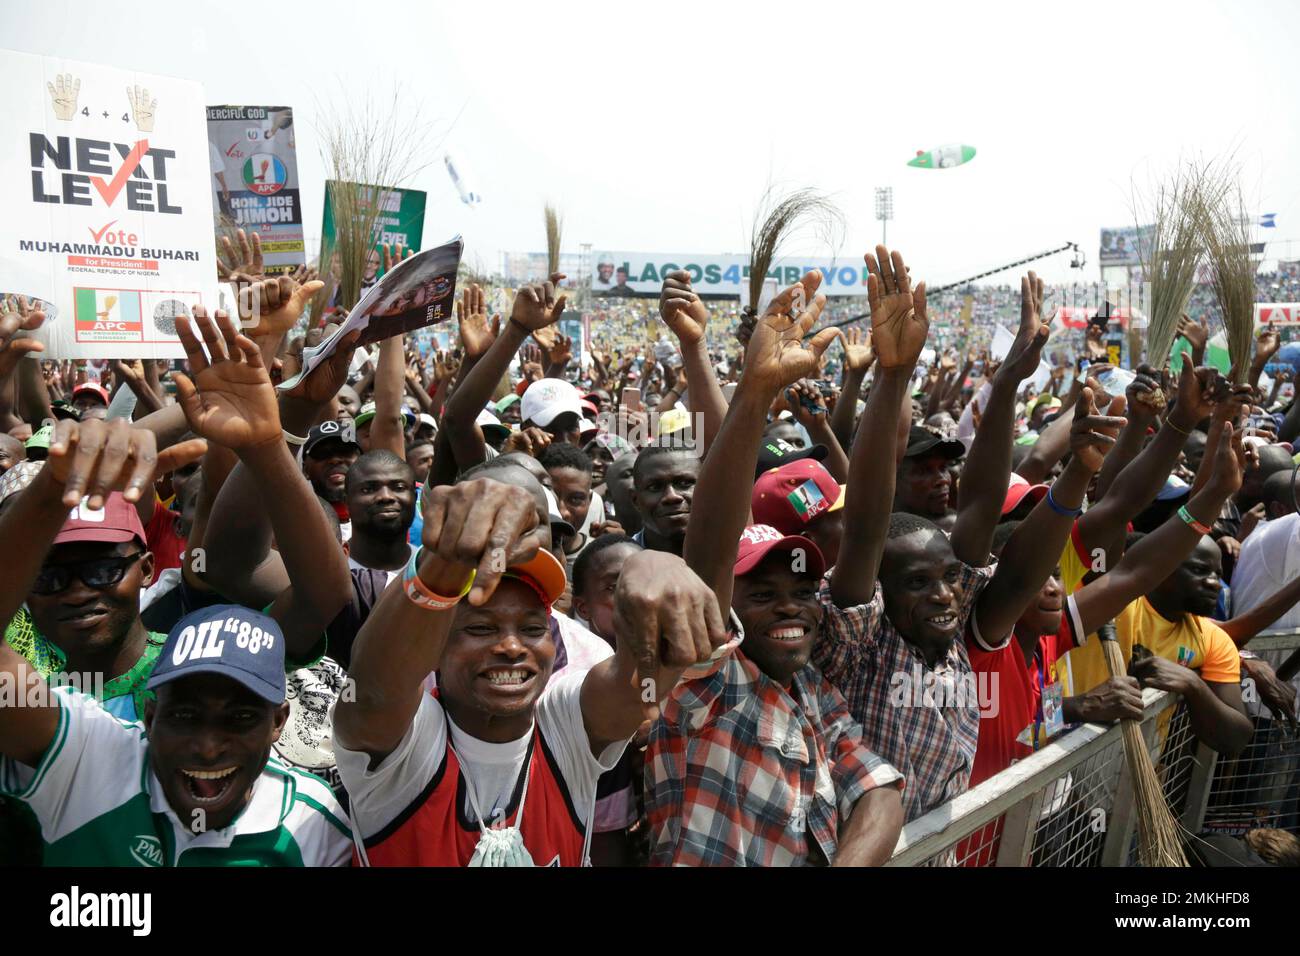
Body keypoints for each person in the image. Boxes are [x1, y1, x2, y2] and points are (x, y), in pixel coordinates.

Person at [334, 477, 727, 866]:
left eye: (532, 628)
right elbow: (372, 690)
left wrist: (654, 561)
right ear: (434, 650)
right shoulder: (405, 745)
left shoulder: (567, 728)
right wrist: (440, 566)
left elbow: (650, 672)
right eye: (480, 628)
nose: (511, 646)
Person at [646, 270, 903, 866]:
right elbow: (710, 545)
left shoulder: (814, 691)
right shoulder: (703, 682)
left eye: (802, 589)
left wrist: (892, 377)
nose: (790, 604)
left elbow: (880, 792)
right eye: (761, 593)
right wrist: (754, 390)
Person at [0, 603, 352, 866]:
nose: (209, 749)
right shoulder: (89, 757)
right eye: (184, 716)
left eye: (240, 718)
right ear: (151, 718)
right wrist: (45, 505)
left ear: (278, 722)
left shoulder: (311, 823)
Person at [630, 443, 699, 555]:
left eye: (684, 483)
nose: (671, 496)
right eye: (654, 487)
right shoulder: (621, 566)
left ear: (708, 487)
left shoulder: (735, 552)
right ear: (635, 500)